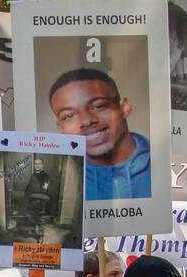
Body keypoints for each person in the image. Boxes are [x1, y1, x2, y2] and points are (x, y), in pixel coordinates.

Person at [49, 68, 150, 200]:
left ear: (125, 108)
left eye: (98, 106)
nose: (86, 121)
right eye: (69, 115)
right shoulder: (60, 187)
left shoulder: (166, 164)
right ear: (61, 128)